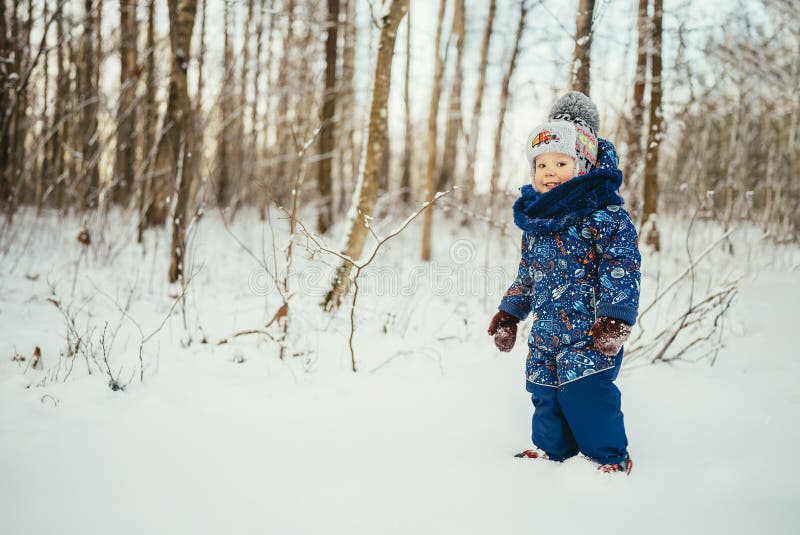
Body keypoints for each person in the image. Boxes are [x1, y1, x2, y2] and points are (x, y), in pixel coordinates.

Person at [487, 91, 641, 475]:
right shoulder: (536, 222)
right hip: (547, 331)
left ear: (585, 166)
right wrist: (510, 312)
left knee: (587, 395)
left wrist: (616, 318)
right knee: (544, 393)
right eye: (541, 164)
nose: (549, 171)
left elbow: (621, 267)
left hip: (590, 331)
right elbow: (527, 274)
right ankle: (553, 452)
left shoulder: (604, 217)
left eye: (561, 162)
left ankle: (610, 457)